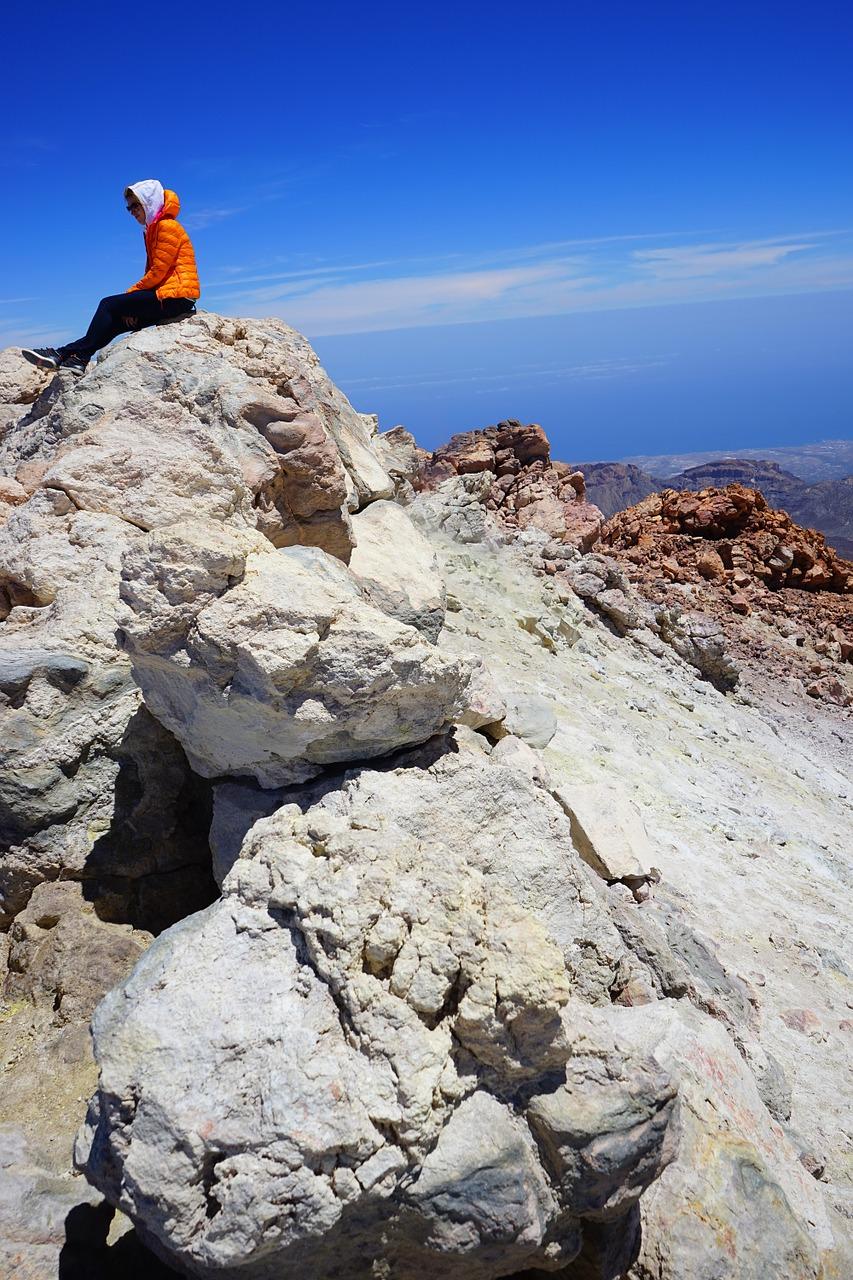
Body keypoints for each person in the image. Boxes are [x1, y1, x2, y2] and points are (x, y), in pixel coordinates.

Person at [22, 180, 200, 376]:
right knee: (116, 322)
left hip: (176, 297)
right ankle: (77, 358)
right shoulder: (152, 229)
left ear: (149, 201)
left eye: (136, 205)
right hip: (167, 296)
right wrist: (132, 306)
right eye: (129, 207)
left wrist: (130, 297)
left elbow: (158, 271)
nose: (132, 211)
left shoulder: (166, 227)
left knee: (108, 304)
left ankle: (62, 353)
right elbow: (155, 272)